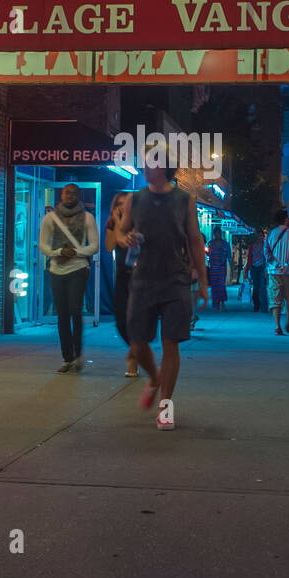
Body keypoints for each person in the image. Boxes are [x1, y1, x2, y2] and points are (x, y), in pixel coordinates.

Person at [117, 150, 208, 429]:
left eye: (151, 164)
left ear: (164, 168)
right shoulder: (135, 199)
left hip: (175, 280)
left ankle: (165, 406)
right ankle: (154, 378)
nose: (146, 168)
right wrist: (126, 238)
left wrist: (202, 281)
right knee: (137, 342)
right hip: (143, 279)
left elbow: (194, 240)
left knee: (171, 343)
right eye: (145, 164)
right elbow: (120, 233)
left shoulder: (184, 200)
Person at [39, 183, 99, 373]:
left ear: (78, 196)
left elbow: (94, 246)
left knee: (75, 311)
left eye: (73, 193)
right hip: (56, 270)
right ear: (61, 195)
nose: (70, 196)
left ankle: (78, 354)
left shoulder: (88, 218)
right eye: (67, 192)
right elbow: (43, 245)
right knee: (62, 315)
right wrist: (57, 252)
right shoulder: (50, 218)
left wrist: (74, 253)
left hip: (78, 269)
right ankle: (67, 358)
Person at [106, 190, 137, 377]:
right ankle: (136, 349)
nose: (122, 207)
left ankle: (133, 360)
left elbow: (125, 242)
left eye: (125, 204)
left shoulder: (138, 225)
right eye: (119, 204)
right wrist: (115, 224)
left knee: (135, 320)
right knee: (120, 321)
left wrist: (119, 223)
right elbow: (110, 246)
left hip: (139, 277)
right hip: (122, 276)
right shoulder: (112, 224)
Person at [265, 208, 289, 335]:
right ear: (285, 220)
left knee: (275, 299)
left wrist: (277, 264)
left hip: (274, 272)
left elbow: (267, 253)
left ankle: (277, 326)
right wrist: (286, 264)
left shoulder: (270, 234)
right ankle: (288, 322)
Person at [206, 224, 230, 312]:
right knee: (214, 287)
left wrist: (230, 267)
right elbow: (208, 254)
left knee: (221, 286)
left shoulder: (225, 244)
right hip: (213, 268)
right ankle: (215, 305)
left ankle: (222, 302)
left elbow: (229, 257)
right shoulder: (210, 243)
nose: (217, 235)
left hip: (222, 268)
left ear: (221, 234)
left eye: (218, 233)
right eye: (215, 233)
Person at [243, 230, 268, 311]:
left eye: (261, 236)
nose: (259, 238)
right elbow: (249, 259)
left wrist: (267, 270)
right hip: (254, 268)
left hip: (262, 268)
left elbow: (268, 258)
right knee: (256, 287)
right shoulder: (252, 247)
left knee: (263, 287)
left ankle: (264, 307)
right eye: (258, 236)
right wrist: (246, 271)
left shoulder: (265, 246)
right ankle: (256, 305)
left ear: (263, 237)